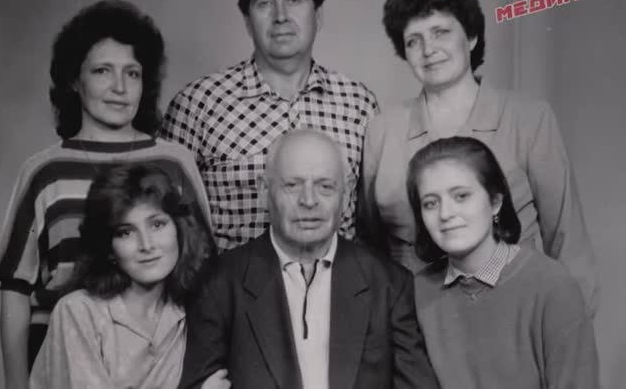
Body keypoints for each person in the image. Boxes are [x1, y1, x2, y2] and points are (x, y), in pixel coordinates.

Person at [0, 0, 213, 389]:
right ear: (74, 81)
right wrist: (14, 385)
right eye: (102, 71)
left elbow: (202, 266)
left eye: (133, 73)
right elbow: (16, 289)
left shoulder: (174, 162)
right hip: (62, 356)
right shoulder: (43, 171)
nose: (120, 88)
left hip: (157, 358)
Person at [358, 0, 598, 314]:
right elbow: (368, 248)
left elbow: (568, 244)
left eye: (441, 32)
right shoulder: (382, 129)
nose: (428, 50)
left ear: (471, 37)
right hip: (411, 323)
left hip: (512, 317)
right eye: (413, 40)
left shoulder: (529, 119)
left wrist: (568, 332)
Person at [177, 129, 439, 389]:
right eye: (292, 185)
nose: (309, 200)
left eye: (325, 187)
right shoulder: (219, 284)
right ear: (264, 190)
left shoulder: (390, 284)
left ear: (345, 194)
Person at [162, 0, 378, 253]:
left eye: (294, 0)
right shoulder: (197, 105)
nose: (280, 16)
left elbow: (372, 228)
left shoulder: (359, 105)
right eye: (264, 3)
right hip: (230, 283)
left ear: (318, 14)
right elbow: (165, 221)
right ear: (247, 20)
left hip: (337, 283)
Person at [406, 136, 598, 389]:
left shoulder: (552, 286)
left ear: (495, 202)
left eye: (461, 196)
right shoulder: (416, 292)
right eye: (430, 203)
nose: (445, 214)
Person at [29, 164, 226, 389]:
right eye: (125, 232)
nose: (146, 245)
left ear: (179, 230)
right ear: (108, 248)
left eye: (157, 224)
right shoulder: (77, 311)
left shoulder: (191, 310)